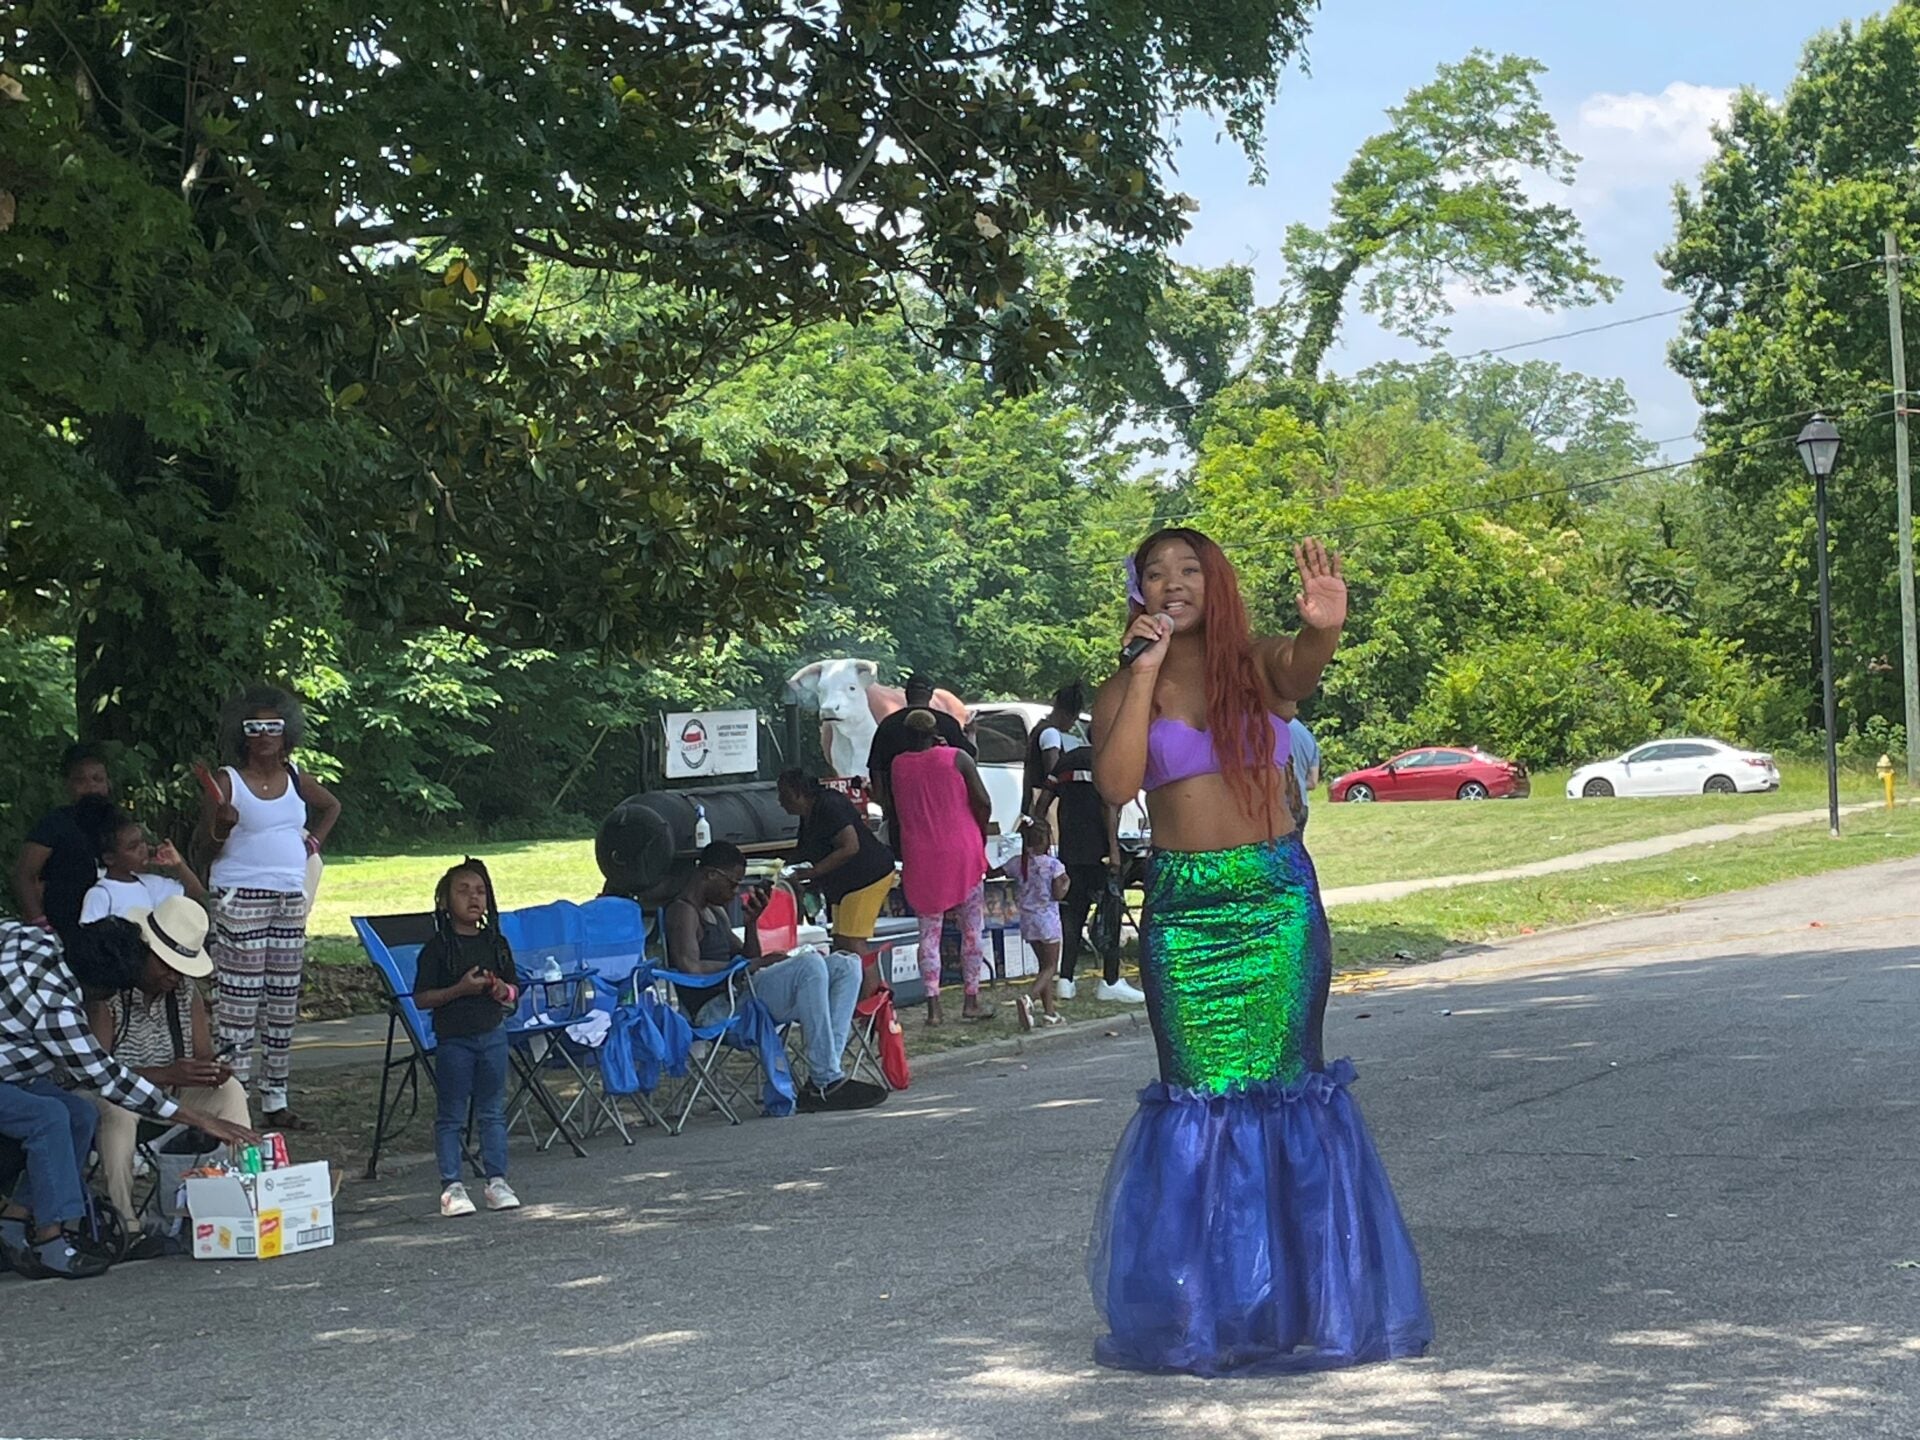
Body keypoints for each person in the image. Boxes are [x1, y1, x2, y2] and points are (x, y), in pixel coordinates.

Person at [1087, 527, 1431, 1376]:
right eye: (1155, 574)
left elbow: (1303, 668)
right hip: (1184, 913)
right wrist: (1140, 671)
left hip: (1274, 901)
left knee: (1285, 1093)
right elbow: (1117, 784)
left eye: (1190, 570)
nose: (1174, 584)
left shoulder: (1259, 665)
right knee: (1198, 1101)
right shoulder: (1122, 686)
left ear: (1219, 582)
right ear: (1137, 593)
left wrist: (1324, 627)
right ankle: (1204, 1312)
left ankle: (1307, 1303)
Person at [0, 914, 258, 1279]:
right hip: (12, 1074)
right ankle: (50, 1240)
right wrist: (197, 1117)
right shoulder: (57, 1010)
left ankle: (14, 1220)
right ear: (100, 989)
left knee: (79, 1114)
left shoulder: (36, 941)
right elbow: (108, 1079)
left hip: (12, 1070)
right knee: (49, 1117)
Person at [196, 685, 341, 1132]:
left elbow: (332, 805)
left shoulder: (297, 777)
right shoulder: (227, 781)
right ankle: (232, 1097)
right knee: (238, 1002)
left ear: (286, 733)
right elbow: (201, 848)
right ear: (242, 734)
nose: (263, 735)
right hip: (240, 896)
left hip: (289, 897)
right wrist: (220, 827)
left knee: (282, 999)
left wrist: (313, 843)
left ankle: (276, 1098)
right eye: (254, 727)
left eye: (272, 727)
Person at [666, 842, 886, 1113]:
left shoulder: (716, 912)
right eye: (733, 883)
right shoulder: (683, 911)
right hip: (718, 1008)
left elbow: (746, 957)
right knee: (809, 965)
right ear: (710, 874)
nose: (735, 892)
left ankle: (825, 1078)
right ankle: (825, 1079)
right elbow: (690, 967)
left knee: (846, 965)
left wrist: (751, 925)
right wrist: (756, 963)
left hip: (742, 993)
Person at [84, 895, 252, 1240]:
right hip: (116, 1099)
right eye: (166, 965)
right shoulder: (109, 990)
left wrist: (213, 1071)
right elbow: (97, 1074)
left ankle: (246, 1191)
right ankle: (126, 1221)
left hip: (172, 1098)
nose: (174, 976)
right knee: (117, 1110)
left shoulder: (184, 993)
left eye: (181, 968)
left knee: (230, 1090)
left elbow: (202, 1056)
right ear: (144, 953)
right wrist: (166, 1074)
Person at [411, 858, 522, 1219]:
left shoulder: (496, 942)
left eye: (480, 891)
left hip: (492, 1034)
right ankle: (452, 1186)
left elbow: (513, 991)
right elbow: (422, 997)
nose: (473, 898)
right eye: (463, 891)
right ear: (445, 901)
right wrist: (459, 989)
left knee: (492, 1111)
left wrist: (498, 989)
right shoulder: (438, 948)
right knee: (452, 1114)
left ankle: (497, 1180)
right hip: (454, 1039)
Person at [890, 710, 994, 1025]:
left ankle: (933, 1007)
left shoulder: (898, 765)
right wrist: (979, 829)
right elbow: (983, 800)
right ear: (936, 732)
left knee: (929, 934)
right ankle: (970, 1000)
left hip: (921, 856)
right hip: (963, 850)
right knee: (972, 931)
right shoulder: (958, 758)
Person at [1036, 741, 1142, 1004]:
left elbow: (1043, 802)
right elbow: (1109, 807)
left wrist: (1040, 840)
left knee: (1072, 915)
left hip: (1070, 851)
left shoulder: (1066, 761)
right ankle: (1110, 980)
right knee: (1111, 912)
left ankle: (1066, 980)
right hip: (1099, 851)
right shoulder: (1104, 761)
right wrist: (1114, 849)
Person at [776, 769, 897, 959]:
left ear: (797, 792)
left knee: (853, 942)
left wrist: (814, 872)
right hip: (844, 883)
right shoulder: (809, 813)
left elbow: (850, 846)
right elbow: (805, 851)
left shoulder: (829, 805)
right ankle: (852, 985)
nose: (780, 801)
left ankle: (873, 988)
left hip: (867, 876)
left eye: (783, 794)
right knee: (840, 941)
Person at [866, 673, 974, 857]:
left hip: (902, 811)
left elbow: (876, 769)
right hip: (945, 811)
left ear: (907, 693)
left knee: (909, 860)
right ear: (930, 694)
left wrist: (885, 804)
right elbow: (970, 762)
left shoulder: (889, 726)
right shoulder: (947, 724)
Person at [12, 743, 113, 936]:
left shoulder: (118, 824)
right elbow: (23, 875)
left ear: (108, 783)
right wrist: (41, 926)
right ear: (67, 784)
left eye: (97, 779)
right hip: (63, 931)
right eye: (80, 780)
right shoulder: (54, 823)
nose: (91, 787)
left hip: (112, 933)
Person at [996, 819, 1067, 1030]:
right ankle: (1029, 998)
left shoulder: (1018, 862)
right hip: (1048, 920)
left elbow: (995, 872)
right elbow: (1058, 892)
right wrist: (1067, 884)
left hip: (1027, 920)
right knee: (1051, 966)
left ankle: (1050, 1012)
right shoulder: (1054, 865)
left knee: (1042, 966)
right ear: (1046, 840)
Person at [78, 810, 208, 922]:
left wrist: (178, 865)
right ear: (109, 858)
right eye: (133, 847)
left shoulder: (149, 884)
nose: (143, 849)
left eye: (142, 842)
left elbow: (196, 894)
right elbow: (91, 940)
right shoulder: (101, 894)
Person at [1022, 683, 1085, 819]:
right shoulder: (1051, 734)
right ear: (1065, 715)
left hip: (1031, 799)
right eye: (1074, 719)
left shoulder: (1039, 728)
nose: (1073, 724)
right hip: (1045, 806)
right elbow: (1054, 771)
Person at [1276, 699, 1322, 838]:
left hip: (1281, 806)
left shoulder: (1271, 729)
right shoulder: (1307, 735)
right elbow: (1313, 782)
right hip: (1302, 806)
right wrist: (1299, 783)